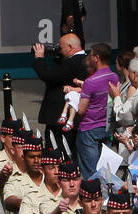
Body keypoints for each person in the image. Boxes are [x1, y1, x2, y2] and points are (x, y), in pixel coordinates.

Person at [74, 43, 115, 179]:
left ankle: (92, 197)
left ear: (96, 58)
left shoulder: (90, 81)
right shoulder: (114, 77)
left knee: (91, 173)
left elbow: (81, 110)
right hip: (107, 127)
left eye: (91, 55)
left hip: (89, 130)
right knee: (106, 171)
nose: (90, 57)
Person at [32, 33, 88, 130]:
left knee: (58, 144)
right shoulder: (86, 59)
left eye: (61, 48)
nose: (59, 51)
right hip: (76, 117)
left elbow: (48, 76)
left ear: (70, 47)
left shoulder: (73, 62)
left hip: (61, 117)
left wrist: (39, 58)